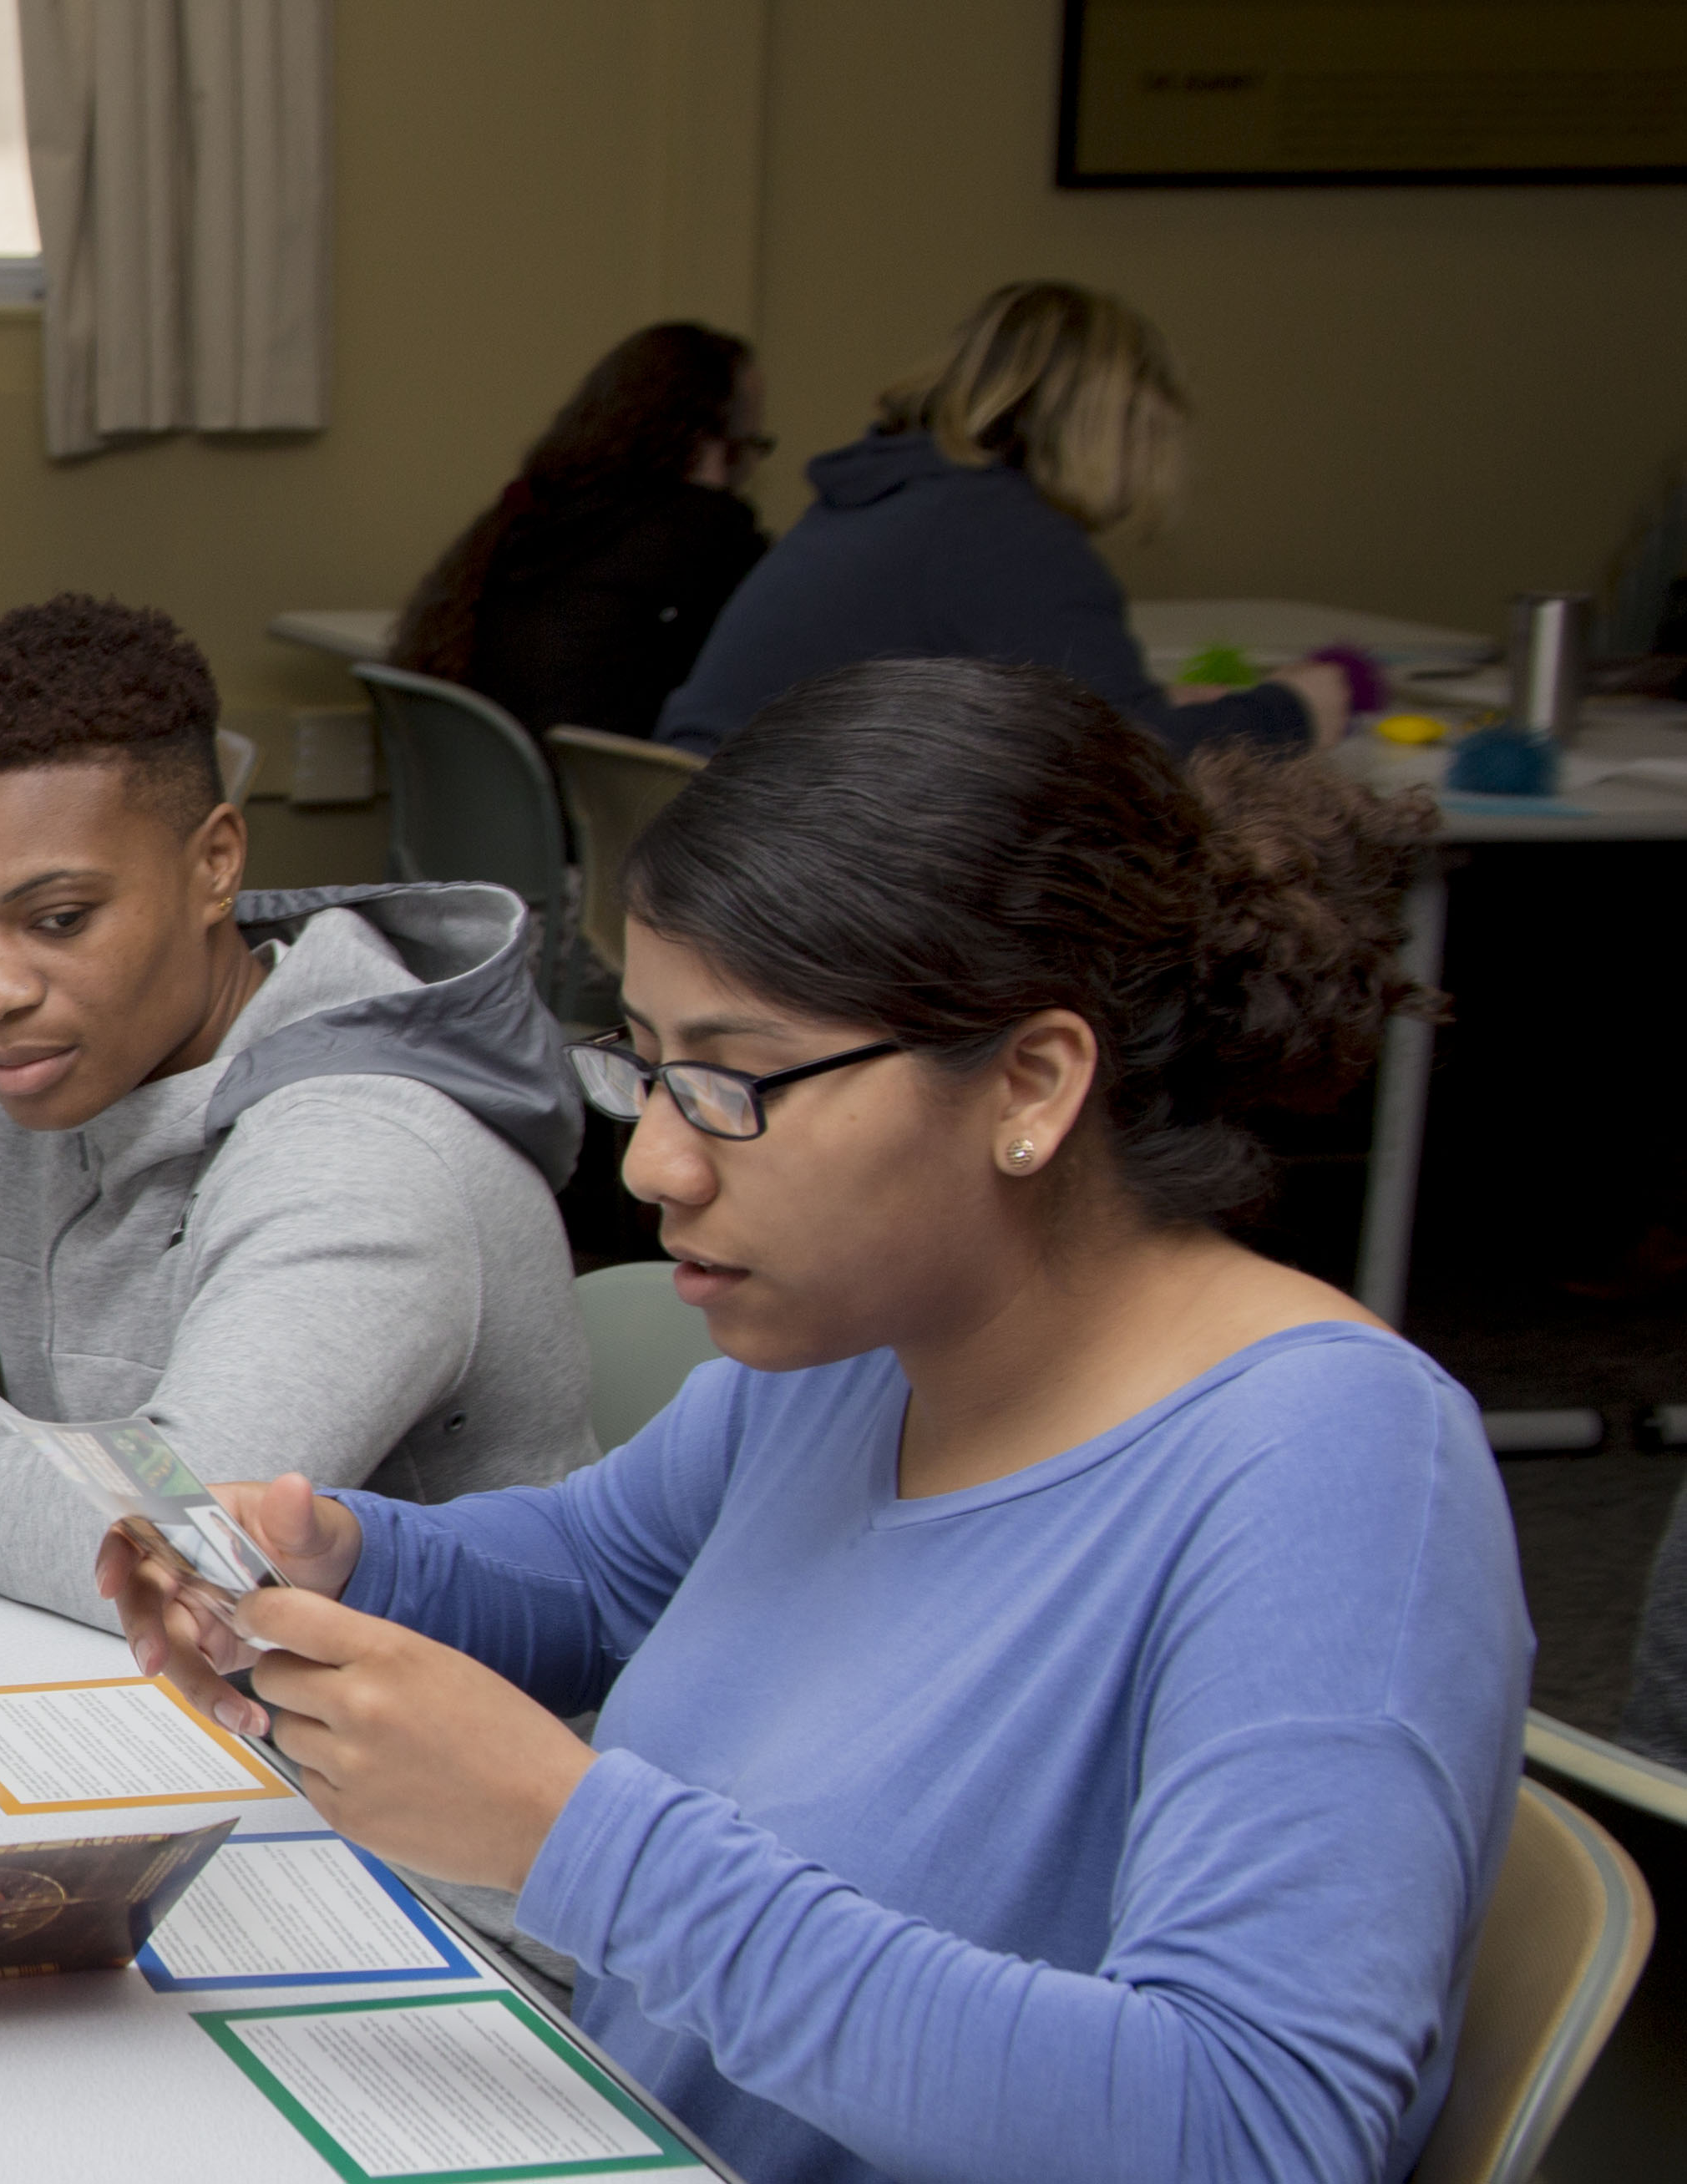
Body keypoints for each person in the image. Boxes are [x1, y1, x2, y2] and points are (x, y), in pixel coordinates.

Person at [110, 657, 1526, 2184]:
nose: (654, 1163)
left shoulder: (1332, 1465)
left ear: (1031, 1081)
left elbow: (1252, 2128)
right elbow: (594, 1570)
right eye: (644, 1067)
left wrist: (567, 1836)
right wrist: (336, 1557)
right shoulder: (865, 1347)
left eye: (732, 1082)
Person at [0, 595, 596, 1620]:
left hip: (408, 1746)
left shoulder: (364, 1154)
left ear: (214, 865)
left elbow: (184, 1537)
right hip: (164, 1691)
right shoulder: (33, 1052)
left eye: (59, 919)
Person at [655, 282, 1351, 759]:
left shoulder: (889, 497)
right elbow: (1135, 766)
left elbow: (1080, 718)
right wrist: (1290, 711)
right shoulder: (998, 531)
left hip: (717, 869)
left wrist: (1154, 705)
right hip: (794, 903)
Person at [387, 322, 771, 742]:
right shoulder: (706, 529)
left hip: (506, 801)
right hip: (611, 800)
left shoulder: (528, 517)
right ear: (712, 441)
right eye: (750, 442)